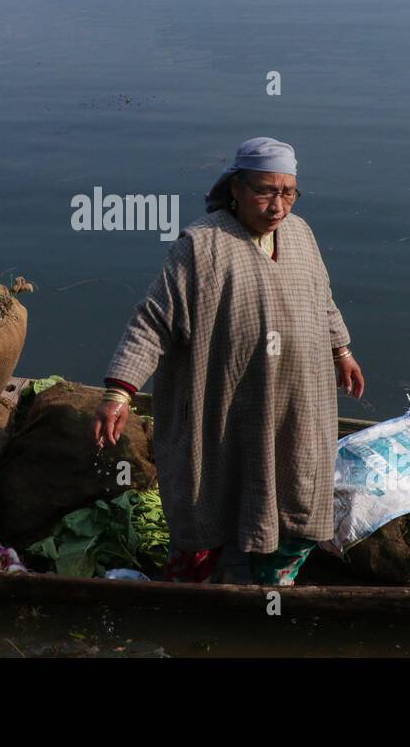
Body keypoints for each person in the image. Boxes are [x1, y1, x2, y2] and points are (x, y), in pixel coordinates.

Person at [94, 137, 365, 586]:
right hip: (226, 404)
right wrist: (118, 392)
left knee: (299, 489)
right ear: (235, 188)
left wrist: (342, 351)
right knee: (209, 496)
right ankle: (192, 585)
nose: (278, 205)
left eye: (288, 192)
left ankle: (272, 580)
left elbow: (323, 298)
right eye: (265, 191)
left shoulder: (300, 234)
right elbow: (152, 321)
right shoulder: (200, 247)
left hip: (299, 403)